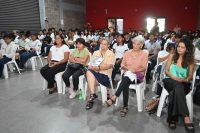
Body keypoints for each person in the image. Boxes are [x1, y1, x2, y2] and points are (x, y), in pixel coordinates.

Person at [105, 36, 148, 117]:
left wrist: (134, 70)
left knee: (125, 80)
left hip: (138, 75)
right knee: (126, 79)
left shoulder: (144, 54)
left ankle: (116, 99)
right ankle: (123, 105)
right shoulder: (127, 53)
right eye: (134, 43)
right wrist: (128, 69)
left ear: (141, 45)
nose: (135, 45)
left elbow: (143, 67)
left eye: (137, 44)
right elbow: (122, 65)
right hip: (127, 73)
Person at [163, 38, 195, 132]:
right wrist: (175, 78)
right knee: (177, 85)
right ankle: (186, 116)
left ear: (187, 49)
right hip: (169, 80)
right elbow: (166, 71)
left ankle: (172, 118)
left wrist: (184, 79)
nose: (179, 49)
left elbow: (190, 76)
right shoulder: (172, 56)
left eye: (182, 47)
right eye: (179, 46)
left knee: (175, 91)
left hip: (183, 84)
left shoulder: (190, 61)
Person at [85, 39, 115, 110]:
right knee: (89, 72)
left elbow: (109, 66)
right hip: (95, 73)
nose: (103, 45)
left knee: (90, 76)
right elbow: (92, 63)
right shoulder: (96, 52)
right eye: (102, 44)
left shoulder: (111, 54)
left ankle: (91, 97)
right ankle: (92, 95)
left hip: (105, 75)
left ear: (108, 45)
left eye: (105, 44)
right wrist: (90, 65)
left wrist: (98, 68)